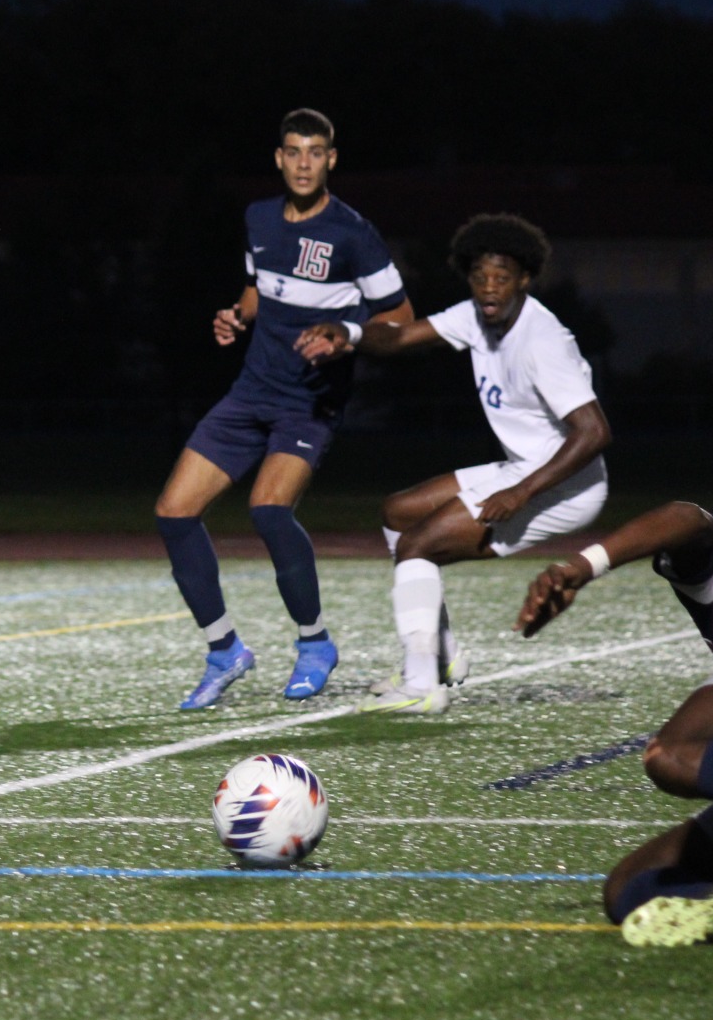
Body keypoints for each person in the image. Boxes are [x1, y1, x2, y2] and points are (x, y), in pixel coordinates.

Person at [296, 213, 610, 714]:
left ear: (524, 280)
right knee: (399, 512)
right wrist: (349, 335)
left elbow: (594, 432)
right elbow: (398, 338)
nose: (489, 288)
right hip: (523, 467)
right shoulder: (475, 314)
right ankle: (439, 657)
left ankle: (421, 684)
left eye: (501, 278)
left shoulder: (541, 341)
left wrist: (520, 492)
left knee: (419, 545)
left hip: (564, 486)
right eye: (480, 276)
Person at [157, 108, 414, 709]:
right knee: (173, 512)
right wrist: (237, 315)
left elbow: (400, 318)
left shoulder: (354, 233)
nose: (304, 163)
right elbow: (257, 289)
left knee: (268, 509)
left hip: (309, 403)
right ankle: (225, 651)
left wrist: (345, 333)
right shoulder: (258, 219)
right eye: (293, 151)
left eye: (315, 152)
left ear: (331, 159)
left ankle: (315, 643)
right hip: (250, 393)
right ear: (279, 158)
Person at [515, 495, 713, 945]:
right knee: (632, 887)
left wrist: (581, 567)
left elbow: (684, 518)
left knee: (675, 753)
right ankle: (712, 902)